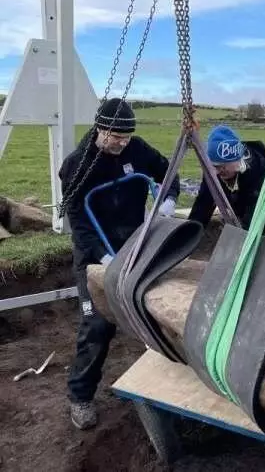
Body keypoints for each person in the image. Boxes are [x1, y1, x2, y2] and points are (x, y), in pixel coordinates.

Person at [59, 97, 180, 430]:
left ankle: (167, 381)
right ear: (100, 128)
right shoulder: (77, 165)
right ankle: (80, 397)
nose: (121, 143)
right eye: (115, 136)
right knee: (97, 326)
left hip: (134, 244)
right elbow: (80, 224)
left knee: (155, 309)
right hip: (96, 253)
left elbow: (169, 173)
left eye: (126, 137)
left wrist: (167, 201)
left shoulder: (138, 150)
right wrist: (105, 258)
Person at [187, 125, 265, 243]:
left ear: (235, 159)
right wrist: (190, 233)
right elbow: (203, 203)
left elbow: (254, 216)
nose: (217, 171)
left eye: (222, 167)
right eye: (213, 166)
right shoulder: (214, 172)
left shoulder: (260, 170)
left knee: (264, 249)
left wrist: (240, 242)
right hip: (249, 212)